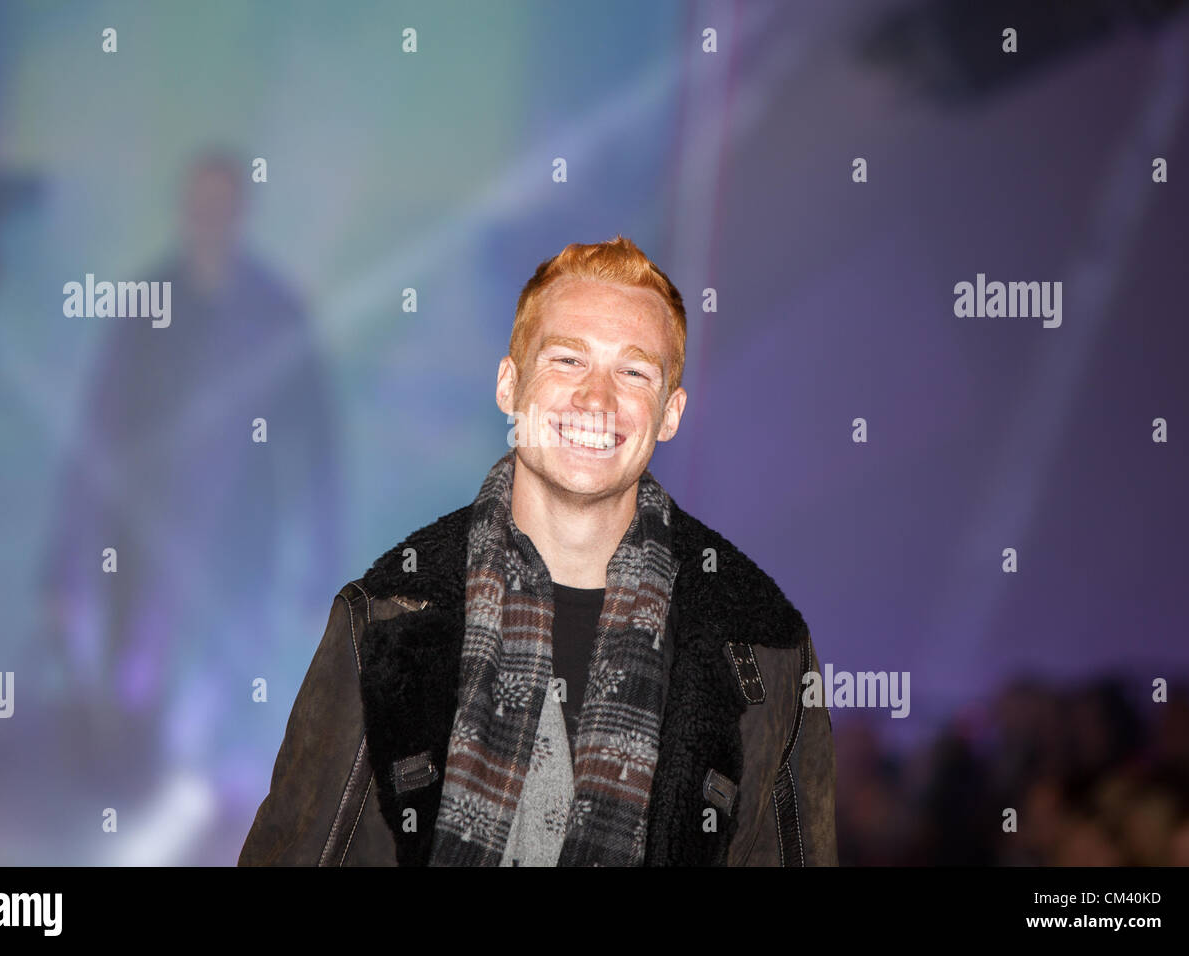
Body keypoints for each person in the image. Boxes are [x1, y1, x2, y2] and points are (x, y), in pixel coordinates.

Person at [239, 235, 836, 866]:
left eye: (633, 372)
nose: (596, 399)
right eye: (568, 360)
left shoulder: (763, 646)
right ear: (509, 385)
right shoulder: (384, 617)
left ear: (670, 413)